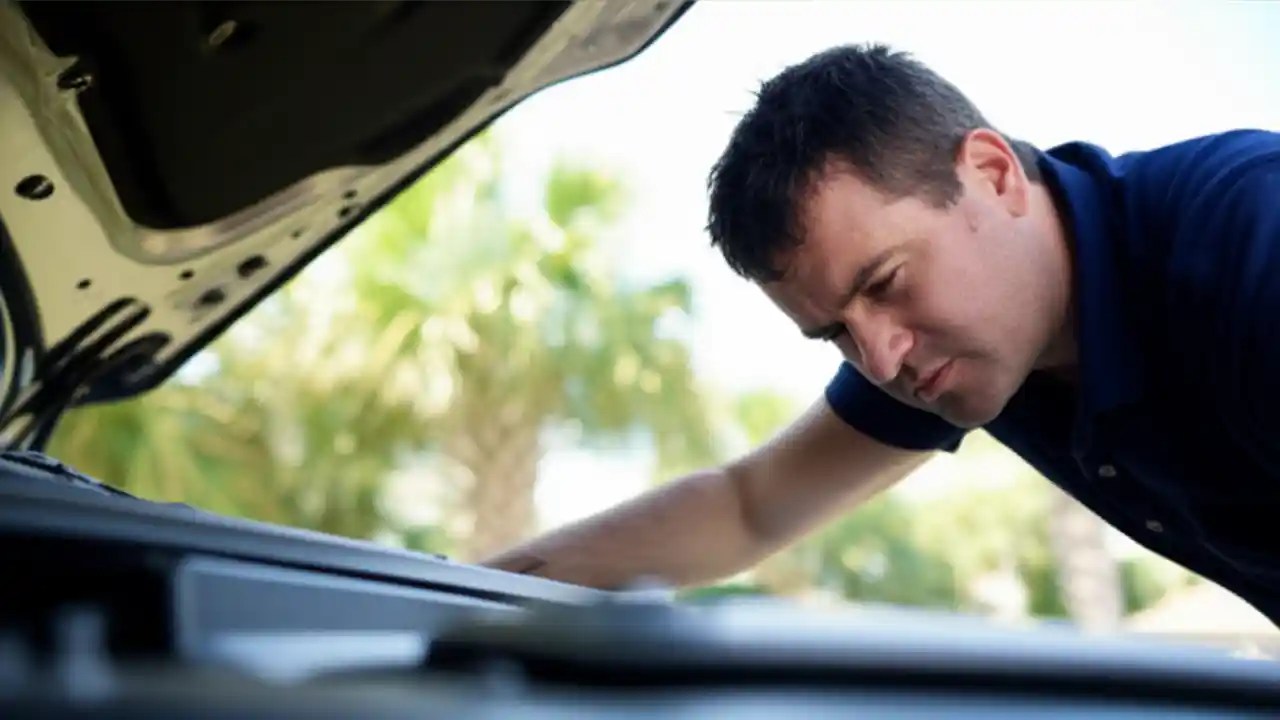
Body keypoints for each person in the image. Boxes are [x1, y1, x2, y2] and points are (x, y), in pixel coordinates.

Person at [483, 43, 1280, 624]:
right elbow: (747, 507)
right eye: (833, 331)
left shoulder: (1249, 245)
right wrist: (463, 591)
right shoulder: (978, 343)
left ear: (993, 175)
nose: (880, 357)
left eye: (886, 283)